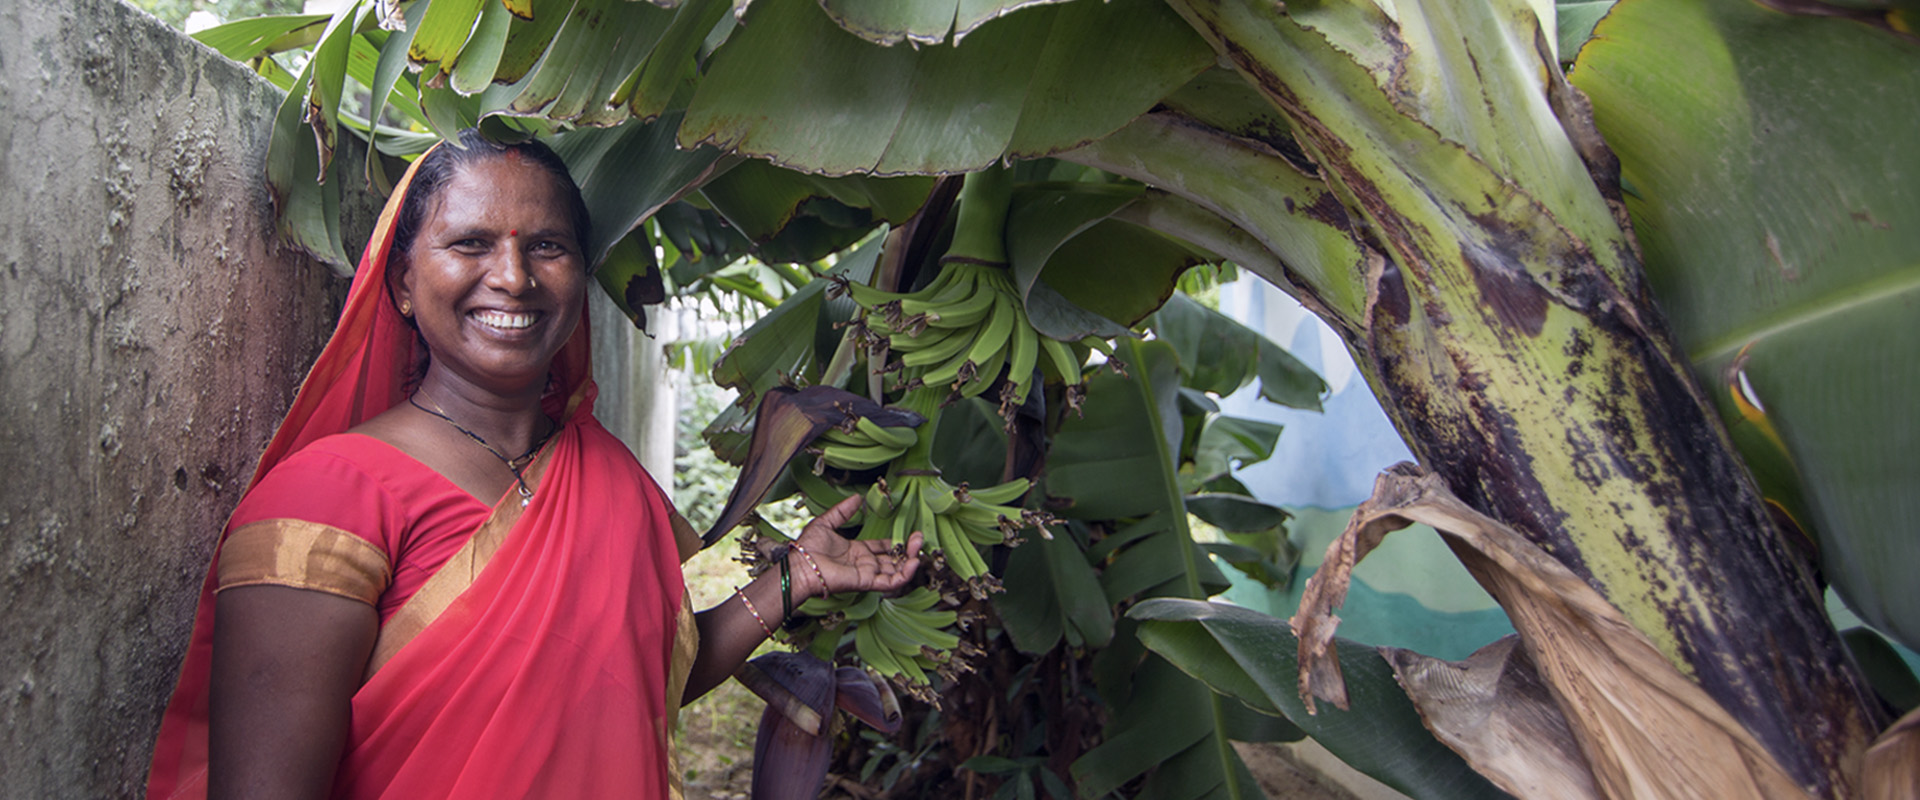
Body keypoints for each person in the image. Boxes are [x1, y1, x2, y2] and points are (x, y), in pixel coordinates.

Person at [145, 129, 923, 800]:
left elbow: (641, 680)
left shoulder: (609, 477)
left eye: (546, 246)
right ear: (405, 284)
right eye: (470, 243)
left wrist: (795, 579)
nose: (513, 277)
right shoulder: (330, 499)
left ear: (579, 279)